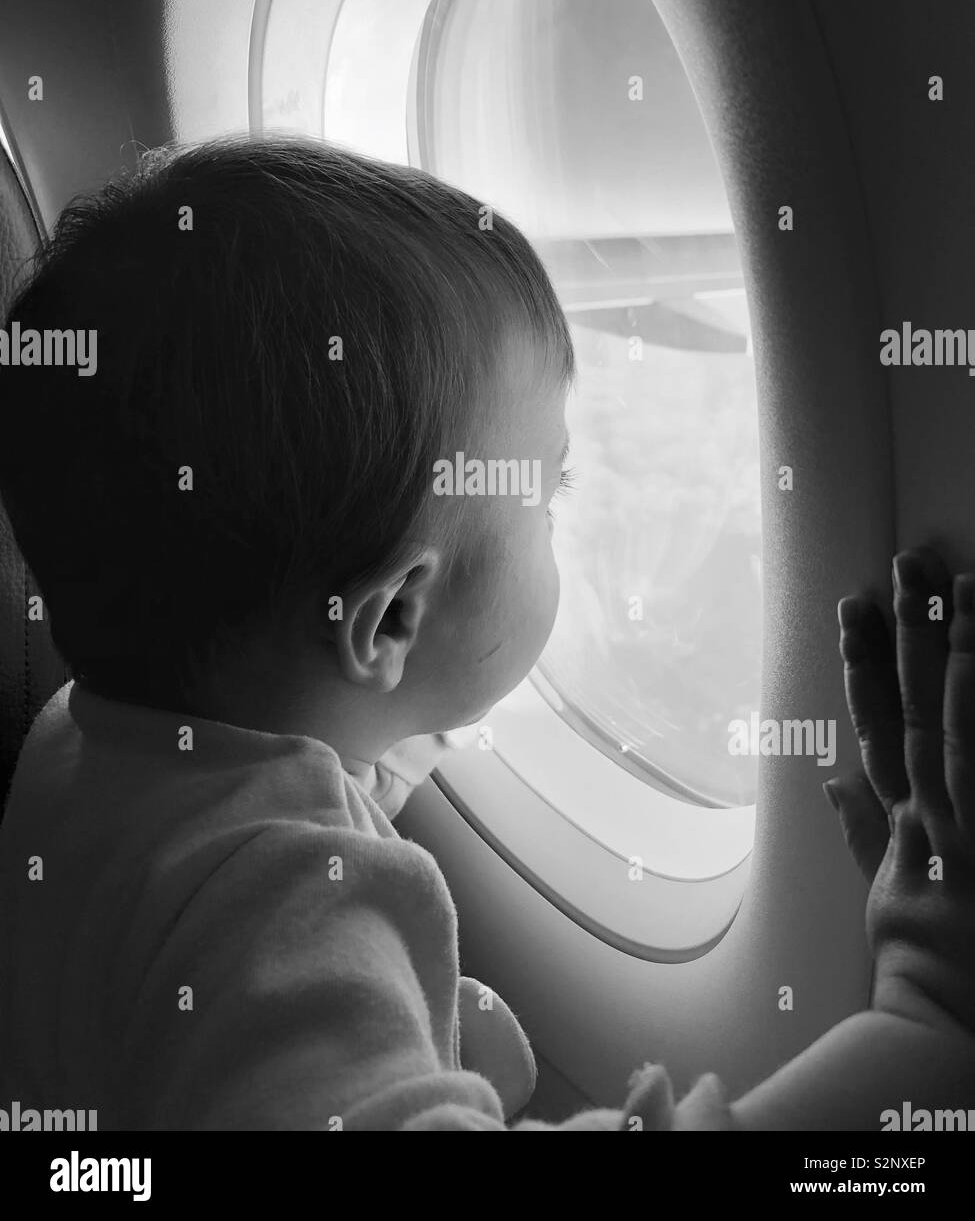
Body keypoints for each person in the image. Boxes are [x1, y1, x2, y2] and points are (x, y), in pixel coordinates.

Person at [0, 136, 972, 1129]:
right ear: (390, 621)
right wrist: (929, 1005)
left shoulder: (88, 743)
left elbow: (336, 737)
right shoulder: (283, 911)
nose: (564, 518)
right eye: (547, 496)